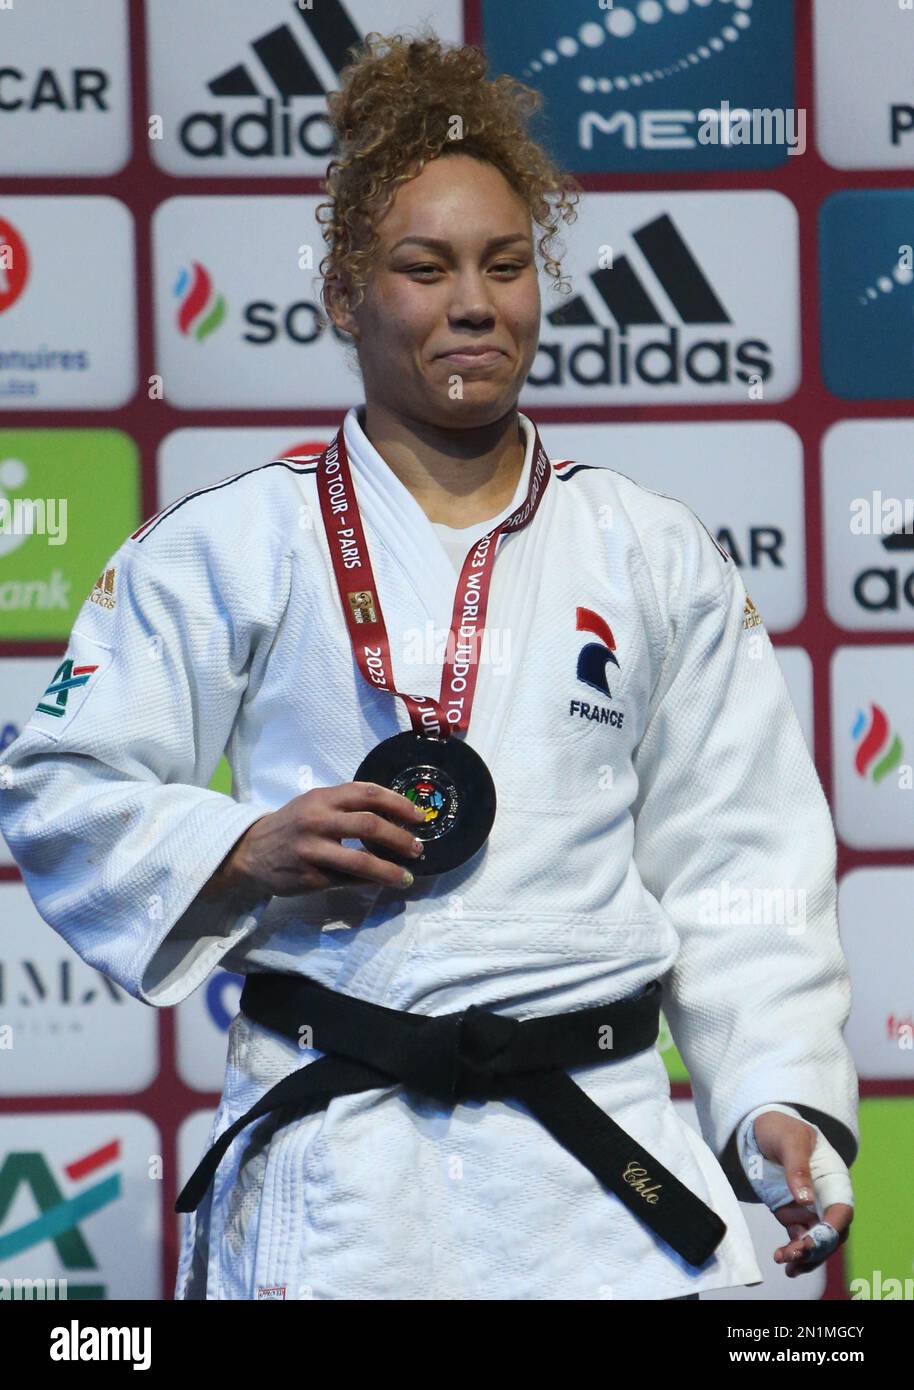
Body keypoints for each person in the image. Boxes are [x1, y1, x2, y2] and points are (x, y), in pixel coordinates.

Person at [0, 31, 856, 1302]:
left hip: (594, 1190)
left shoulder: (649, 550)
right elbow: (60, 782)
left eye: (505, 266)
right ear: (344, 294)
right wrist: (243, 849)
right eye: (425, 266)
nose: (474, 303)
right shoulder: (236, 542)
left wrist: (776, 1093)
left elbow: (739, 855)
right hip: (342, 1181)